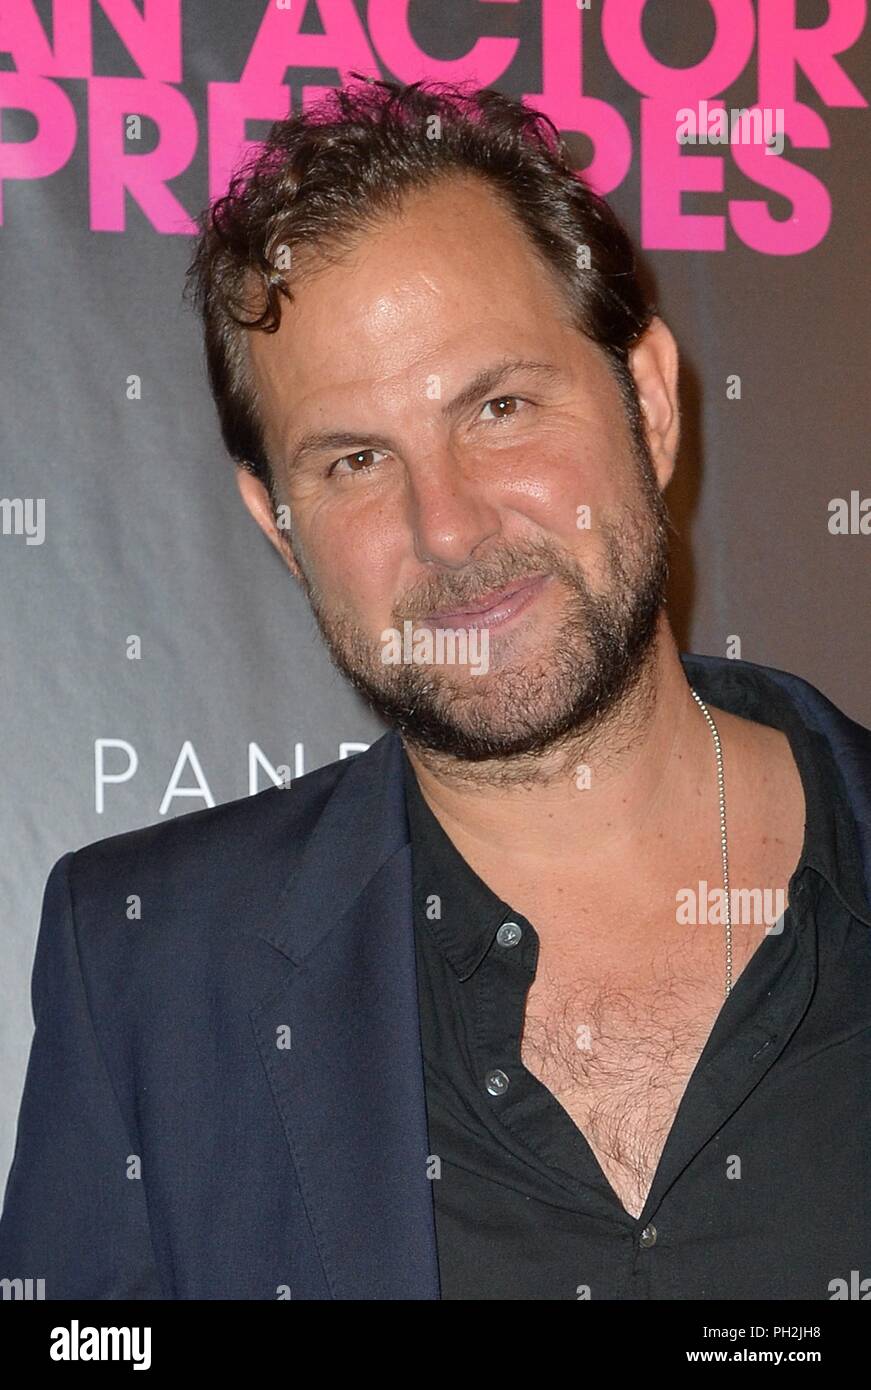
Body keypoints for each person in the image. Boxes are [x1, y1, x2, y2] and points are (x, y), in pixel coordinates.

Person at [1, 76, 869, 1301]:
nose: (448, 527)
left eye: (500, 407)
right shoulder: (147, 978)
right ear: (280, 525)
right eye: (356, 460)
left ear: (653, 405)